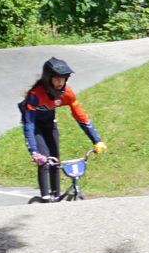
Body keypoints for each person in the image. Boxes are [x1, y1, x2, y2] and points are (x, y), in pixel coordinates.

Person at [19, 56, 106, 202]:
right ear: (48, 79)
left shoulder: (68, 93)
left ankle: (57, 195)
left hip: (50, 124)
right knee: (45, 159)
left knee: (56, 159)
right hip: (35, 127)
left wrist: (97, 140)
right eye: (57, 79)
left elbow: (81, 117)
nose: (60, 83)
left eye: (63, 79)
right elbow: (29, 125)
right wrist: (34, 152)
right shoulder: (35, 95)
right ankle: (45, 198)